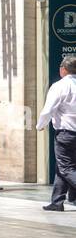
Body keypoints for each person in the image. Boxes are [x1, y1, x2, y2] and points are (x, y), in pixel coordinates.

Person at [37, 55, 76, 211]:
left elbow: (49, 109)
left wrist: (40, 125)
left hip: (66, 134)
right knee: (63, 167)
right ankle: (57, 201)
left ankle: (58, 201)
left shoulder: (60, 86)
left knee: (66, 168)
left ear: (63, 69)